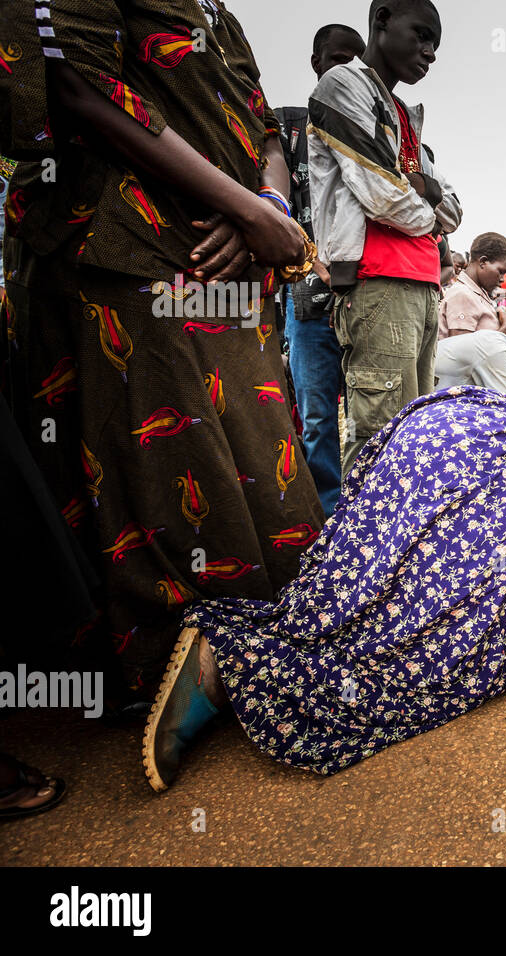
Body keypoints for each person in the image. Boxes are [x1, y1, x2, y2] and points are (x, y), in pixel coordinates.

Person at [0, 0, 323, 696]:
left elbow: (264, 125)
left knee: (263, 456)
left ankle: (257, 646)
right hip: (131, 252)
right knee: (170, 463)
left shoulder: (215, 10)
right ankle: (183, 662)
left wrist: (266, 205)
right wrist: (241, 209)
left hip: (228, 263)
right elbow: (75, 86)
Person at [141, 387, 506, 788]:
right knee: (463, 655)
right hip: (481, 468)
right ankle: (233, 663)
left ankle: (242, 638)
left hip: (448, 425)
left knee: (354, 588)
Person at [310, 0, 461, 476]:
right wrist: (423, 200)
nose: (430, 53)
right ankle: (362, 547)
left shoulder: (404, 115)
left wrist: (424, 189)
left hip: (421, 282)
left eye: (434, 43)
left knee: (414, 434)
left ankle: (398, 544)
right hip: (377, 280)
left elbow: (454, 209)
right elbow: (382, 196)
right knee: (379, 436)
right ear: (382, 21)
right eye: (421, 35)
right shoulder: (342, 85)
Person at [276, 23, 367, 517]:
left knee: (370, 412)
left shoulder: (377, 130)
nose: (348, 68)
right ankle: (328, 513)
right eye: (337, 58)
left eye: (357, 59)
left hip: (368, 299)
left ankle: (368, 513)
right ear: (316, 63)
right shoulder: (288, 127)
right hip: (309, 302)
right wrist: (316, 263)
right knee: (316, 415)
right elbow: (274, 209)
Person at [438, 232, 506, 338]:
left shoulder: (478, 292)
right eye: (501, 271)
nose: (502, 279)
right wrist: (505, 328)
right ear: (483, 262)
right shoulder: (462, 294)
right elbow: (462, 349)